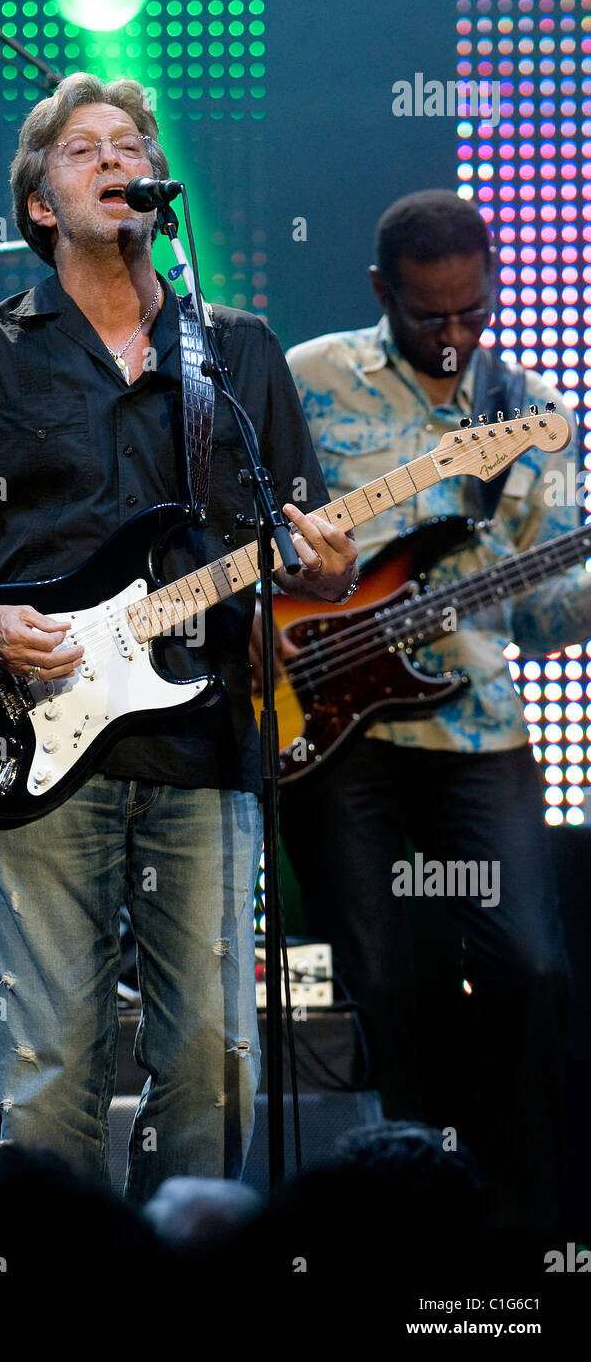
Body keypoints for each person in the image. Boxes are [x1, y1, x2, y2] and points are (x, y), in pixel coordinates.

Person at [0, 73, 356, 1202]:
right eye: (84, 150)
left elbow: (311, 542)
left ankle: (180, 1275)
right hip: (33, 744)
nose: (116, 158)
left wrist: (327, 560)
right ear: (38, 206)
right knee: (51, 1064)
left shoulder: (237, 350)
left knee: (215, 1065)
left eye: (132, 143)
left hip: (203, 739)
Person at [274, 189, 585, 1234]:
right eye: (426, 316)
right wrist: (273, 616)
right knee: (372, 974)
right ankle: (390, 1218)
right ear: (381, 293)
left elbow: (538, 618)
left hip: (471, 723)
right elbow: (238, 524)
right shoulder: (308, 379)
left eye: (469, 313)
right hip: (323, 714)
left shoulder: (530, 413)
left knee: (530, 967)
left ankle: (519, 1215)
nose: (452, 336)